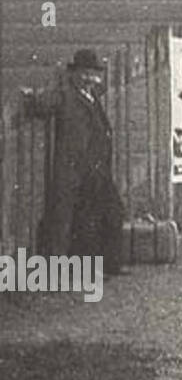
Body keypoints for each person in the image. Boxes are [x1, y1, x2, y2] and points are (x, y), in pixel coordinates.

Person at [40, 49, 127, 274]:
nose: (89, 78)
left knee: (113, 212)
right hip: (77, 169)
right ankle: (86, 271)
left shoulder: (92, 96)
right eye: (85, 73)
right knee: (83, 221)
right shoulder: (66, 95)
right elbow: (44, 103)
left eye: (93, 73)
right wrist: (32, 97)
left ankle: (110, 265)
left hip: (98, 169)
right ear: (74, 74)